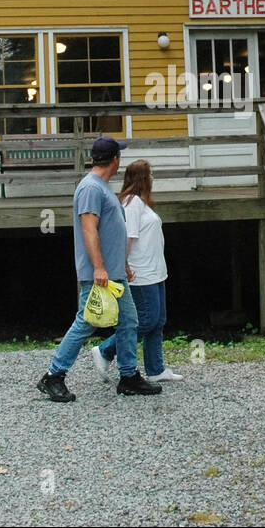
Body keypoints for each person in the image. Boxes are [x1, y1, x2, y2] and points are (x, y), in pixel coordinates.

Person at [37, 137, 161, 402]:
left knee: (129, 321)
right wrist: (99, 268)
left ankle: (128, 377)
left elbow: (111, 233)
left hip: (114, 272)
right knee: (87, 321)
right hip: (100, 274)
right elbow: (89, 228)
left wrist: (123, 264)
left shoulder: (102, 187)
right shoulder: (90, 188)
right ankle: (53, 375)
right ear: (115, 159)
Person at [91, 160, 182, 383]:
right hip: (140, 273)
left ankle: (155, 369)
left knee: (158, 320)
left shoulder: (143, 203)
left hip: (156, 271)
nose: (152, 178)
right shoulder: (131, 203)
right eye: (149, 175)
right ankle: (105, 350)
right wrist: (124, 265)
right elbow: (127, 237)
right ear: (142, 178)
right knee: (147, 319)